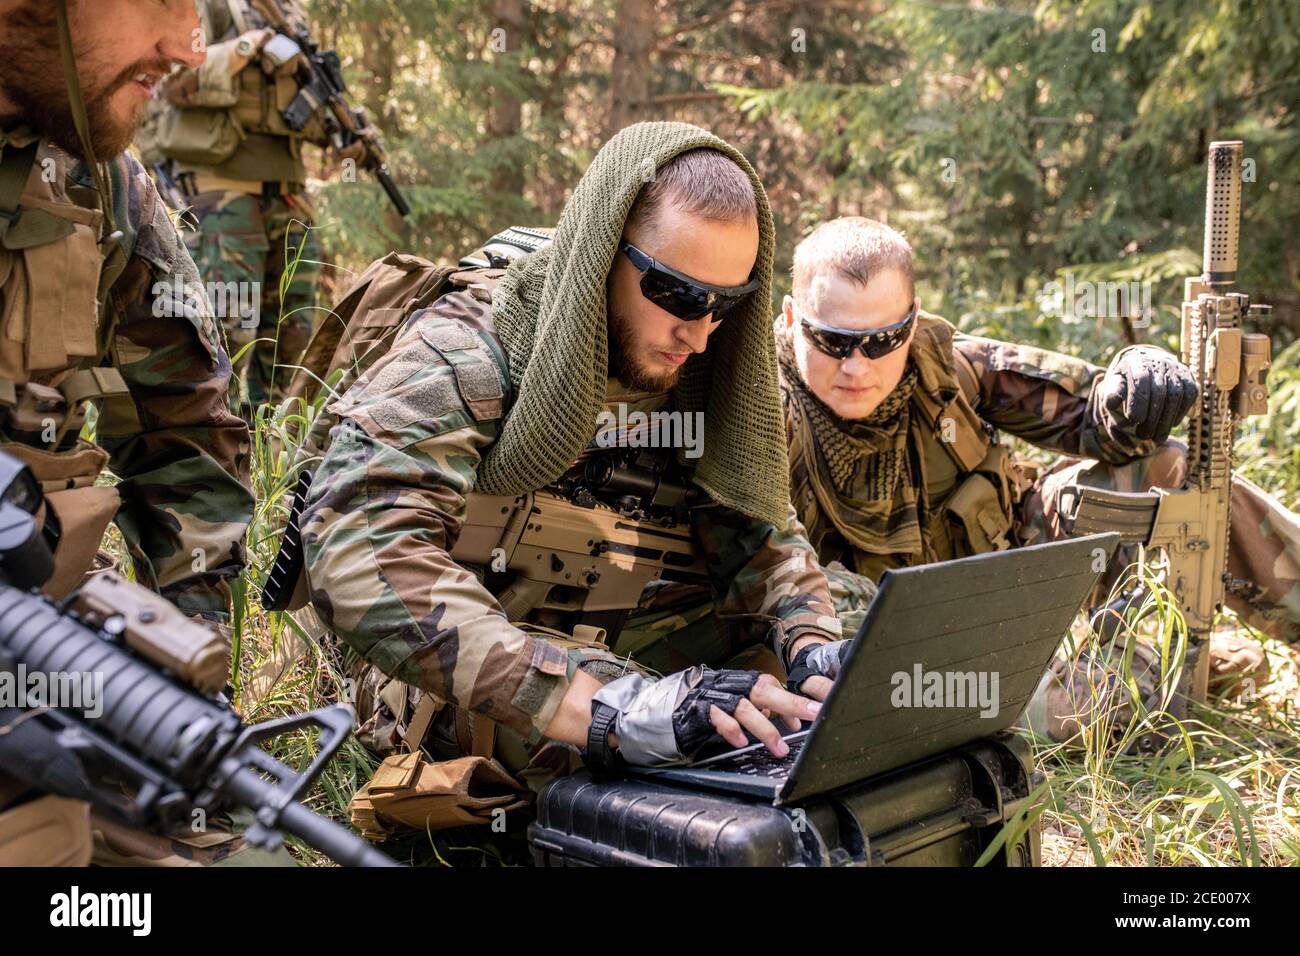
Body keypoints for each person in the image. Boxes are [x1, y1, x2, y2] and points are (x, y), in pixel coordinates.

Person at [299, 122, 856, 796]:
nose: (701, 330)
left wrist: (811, 644)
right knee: (629, 752)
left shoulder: (708, 366)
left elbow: (762, 534)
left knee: (794, 708)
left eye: (727, 301)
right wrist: (607, 709)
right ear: (601, 253)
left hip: (609, 623)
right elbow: (358, 544)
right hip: (449, 659)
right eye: (678, 293)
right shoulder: (471, 347)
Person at [774, 216, 1300, 740]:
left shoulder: (947, 368)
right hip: (881, 635)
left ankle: (1164, 676)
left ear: (911, 322)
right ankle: (1162, 682)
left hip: (1005, 576)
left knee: (1172, 469)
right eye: (833, 341)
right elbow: (769, 571)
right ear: (794, 318)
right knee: (1032, 714)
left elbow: (1097, 418)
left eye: (882, 339)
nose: (857, 367)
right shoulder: (764, 413)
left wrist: (1135, 383)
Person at [0, 0, 264, 865]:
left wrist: (176, 671)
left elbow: (186, 438)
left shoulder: (96, 183)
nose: (187, 48)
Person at [141, 0, 332, 415]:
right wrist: (249, 47)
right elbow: (171, 79)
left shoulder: (292, 15)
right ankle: (211, 452)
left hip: (289, 196)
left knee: (292, 336)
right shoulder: (208, 7)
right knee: (227, 331)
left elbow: (313, 117)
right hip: (220, 194)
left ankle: (273, 454)